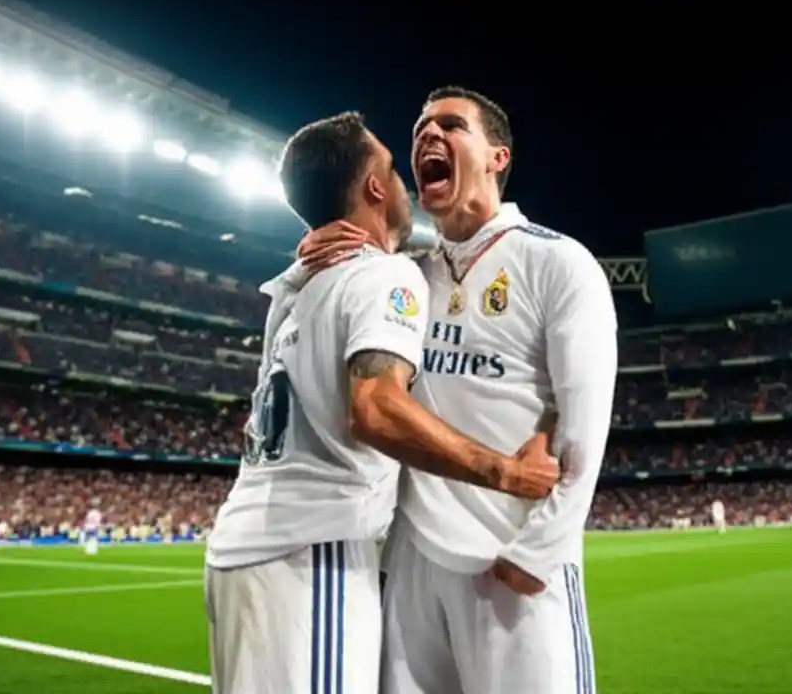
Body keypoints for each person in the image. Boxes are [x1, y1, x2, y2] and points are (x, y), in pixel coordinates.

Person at [204, 111, 561, 694]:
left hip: (241, 554)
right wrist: (503, 470)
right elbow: (374, 409)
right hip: (312, 554)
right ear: (374, 186)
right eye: (393, 170)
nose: (403, 183)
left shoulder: (295, 288)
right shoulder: (385, 276)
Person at [300, 87, 618, 694]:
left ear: (498, 158)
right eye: (420, 128)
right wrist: (321, 245)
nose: (427, 134)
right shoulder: (407, 275)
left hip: (511, 558)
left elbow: (584, 419)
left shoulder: (558, 262)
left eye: (451, 125)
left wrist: (542, 550)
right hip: (414, 561)